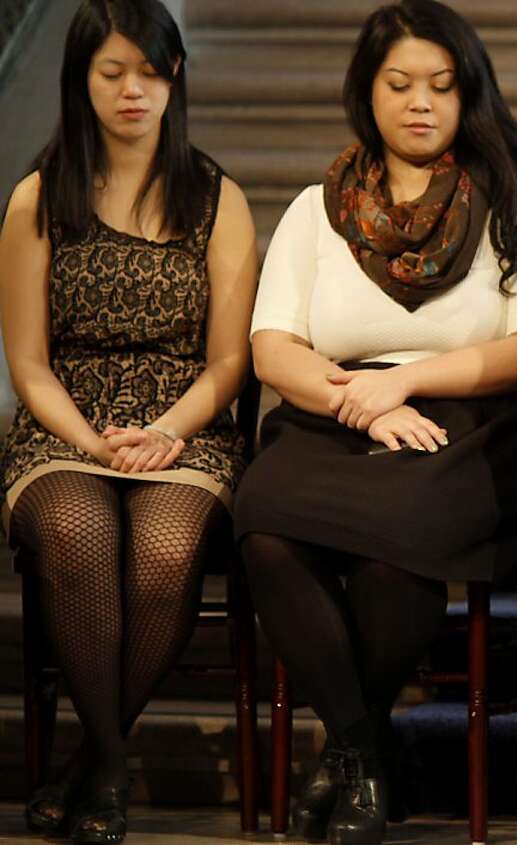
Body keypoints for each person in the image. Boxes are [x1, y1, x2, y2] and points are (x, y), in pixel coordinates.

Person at [233, 2, 517, 842]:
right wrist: (363, 400)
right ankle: (365, 752)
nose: (420, 102)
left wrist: (409, 383)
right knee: (264, 524)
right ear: (367, 91)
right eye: (399, 84)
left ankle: (347, 758)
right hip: (337, 412)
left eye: (441, 86)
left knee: (399, 544)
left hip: (474, 425)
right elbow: (272, 346)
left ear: (468, 95)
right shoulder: (319, 207)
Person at [0, 1, 257, 842]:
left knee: (167, 549)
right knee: (76, 532)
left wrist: (167, 430)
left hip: (187, 425)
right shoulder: (38, 198)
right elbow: (29, 364)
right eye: (113, 73)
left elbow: (228, 363)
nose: (133, 90)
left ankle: (84, 766)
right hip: (62, 424)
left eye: (149, 72)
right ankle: (109, 773)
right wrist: (88, 437)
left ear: (174, 74)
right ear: (82, 80)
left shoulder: (219, 200)